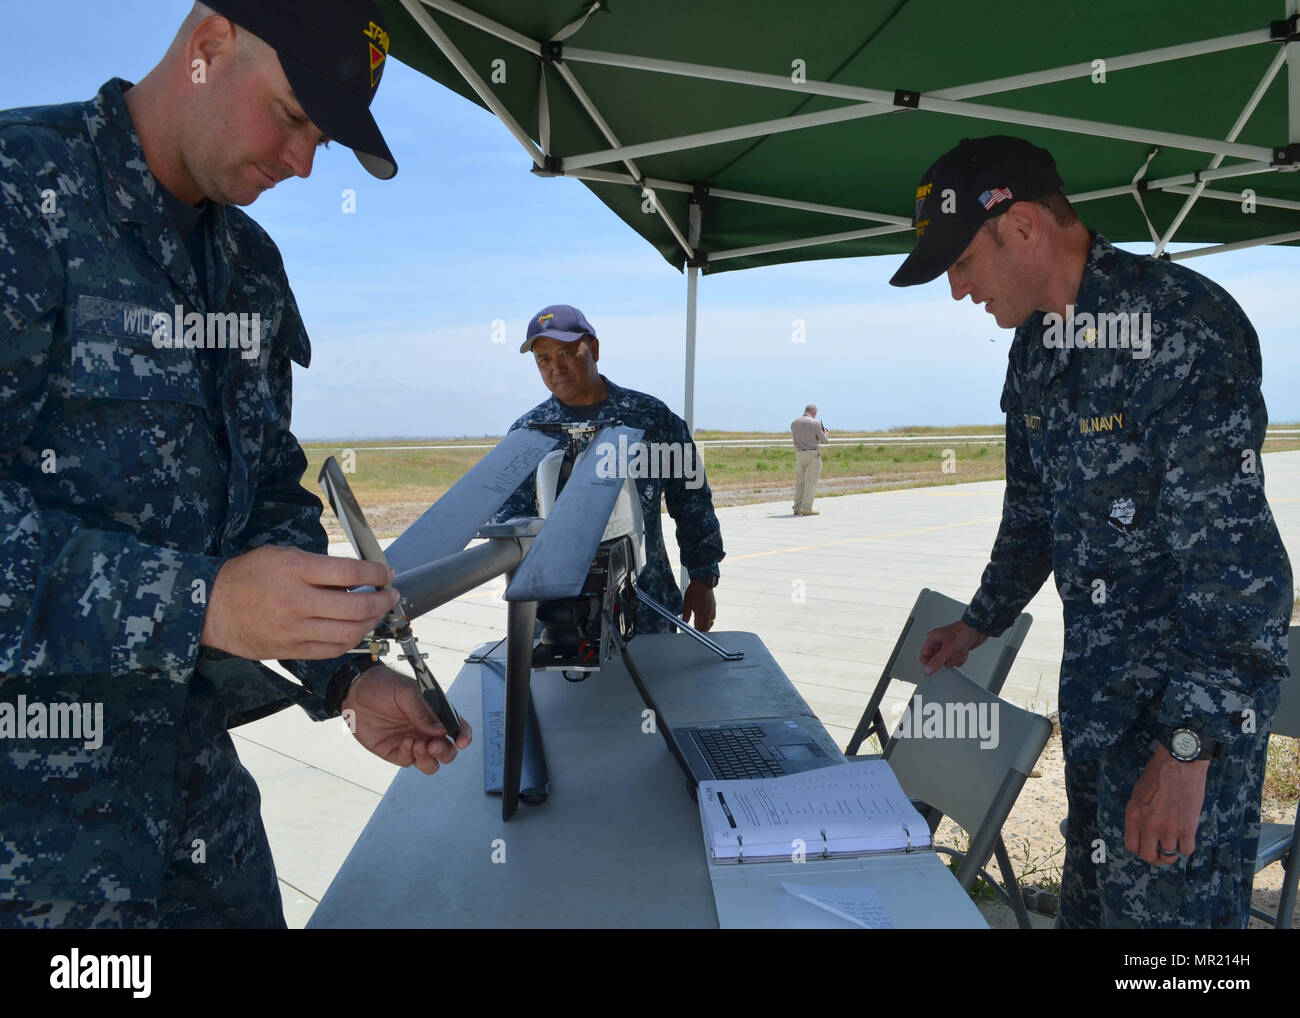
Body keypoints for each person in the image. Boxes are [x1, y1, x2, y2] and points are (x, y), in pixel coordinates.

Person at [0, 0, 469, 929]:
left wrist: (342, 675)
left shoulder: (247, 265)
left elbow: (262, 490)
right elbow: (208, 592)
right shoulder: (23, 194)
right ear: (208, 44)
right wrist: (200, 603)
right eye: (294, 116)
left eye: (321, 145)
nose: (300, 163)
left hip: (198, 822)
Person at [891, 135, 1292, 929]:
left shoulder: (1180, 325)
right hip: (1100, 714)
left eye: (963, 261)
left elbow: (1240, 574)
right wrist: (983, 617)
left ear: (1026, 226)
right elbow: (1033, 513)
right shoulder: (1037, 349)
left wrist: (1184, 750)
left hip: (1183, 733)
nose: (957, 289)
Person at [495, 304, 725, 634]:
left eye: (567, 352)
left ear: (595, 349)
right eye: (543, 359)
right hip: (559, 620)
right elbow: (509, 526)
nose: (555, 368)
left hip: (647, 607)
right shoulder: (529, 434)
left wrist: (704, 578)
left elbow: (692, 500)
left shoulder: (649, 418)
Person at [790, 403, 830, 515]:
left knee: (800, 483)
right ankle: (807, 508)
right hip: (812, 454)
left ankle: (797, 508)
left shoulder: (794, 422)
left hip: (799, 454)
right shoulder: (815, 422)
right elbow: (824, 440)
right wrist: (825, 433)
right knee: (810, 482)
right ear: (814, 412)